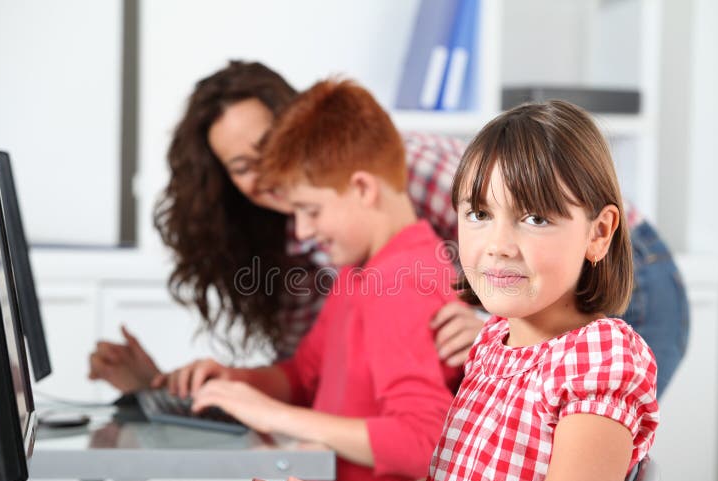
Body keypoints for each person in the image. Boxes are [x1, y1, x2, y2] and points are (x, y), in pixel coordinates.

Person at [231, 100, 660, 481]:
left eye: (534, 218)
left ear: (599, 233)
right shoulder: (493, 342)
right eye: (479, 214)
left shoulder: (600, 357)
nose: (498, 245)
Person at [87, 61, 482, 394]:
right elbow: (309, 378)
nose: (265, 172)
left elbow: (524, 256)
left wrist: (492, 333)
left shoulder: (419, 171)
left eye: (268, 145)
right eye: (242, 167)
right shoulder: (295, 243)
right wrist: (169, 390)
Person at [171, 78, 464, 481]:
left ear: (362, 188)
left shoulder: (399, 282)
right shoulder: (358, 269)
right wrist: (238, 383)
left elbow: (424, 442)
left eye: (310, 210)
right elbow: (304, 375)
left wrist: (276, 416)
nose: (303, 231)